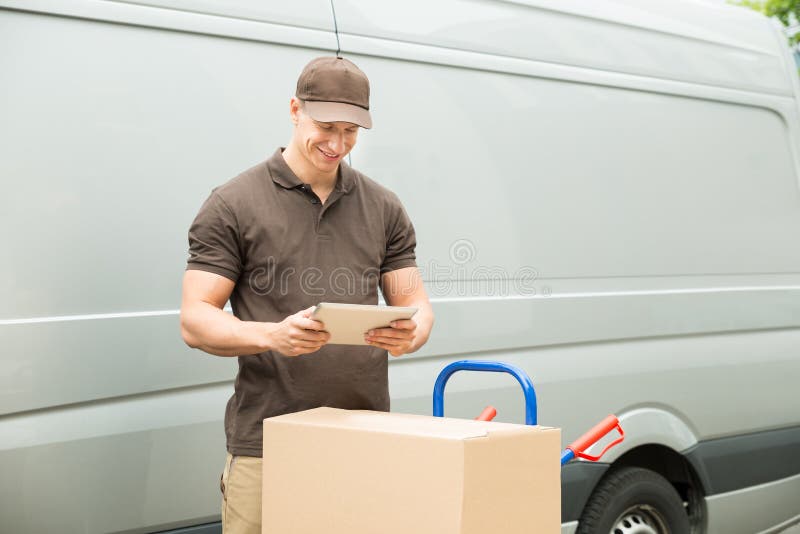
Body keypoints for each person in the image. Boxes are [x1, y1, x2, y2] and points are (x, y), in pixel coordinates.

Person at [179, 56, 434, 534]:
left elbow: (415, 303)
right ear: (295, 110)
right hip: (267, 445)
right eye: (326, 126)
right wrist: (274, 335)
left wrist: (411, 333)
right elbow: (195, 319)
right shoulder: (233, 204)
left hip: (364, 437)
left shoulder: (384, 207)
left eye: (352, 131)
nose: (338, 144)